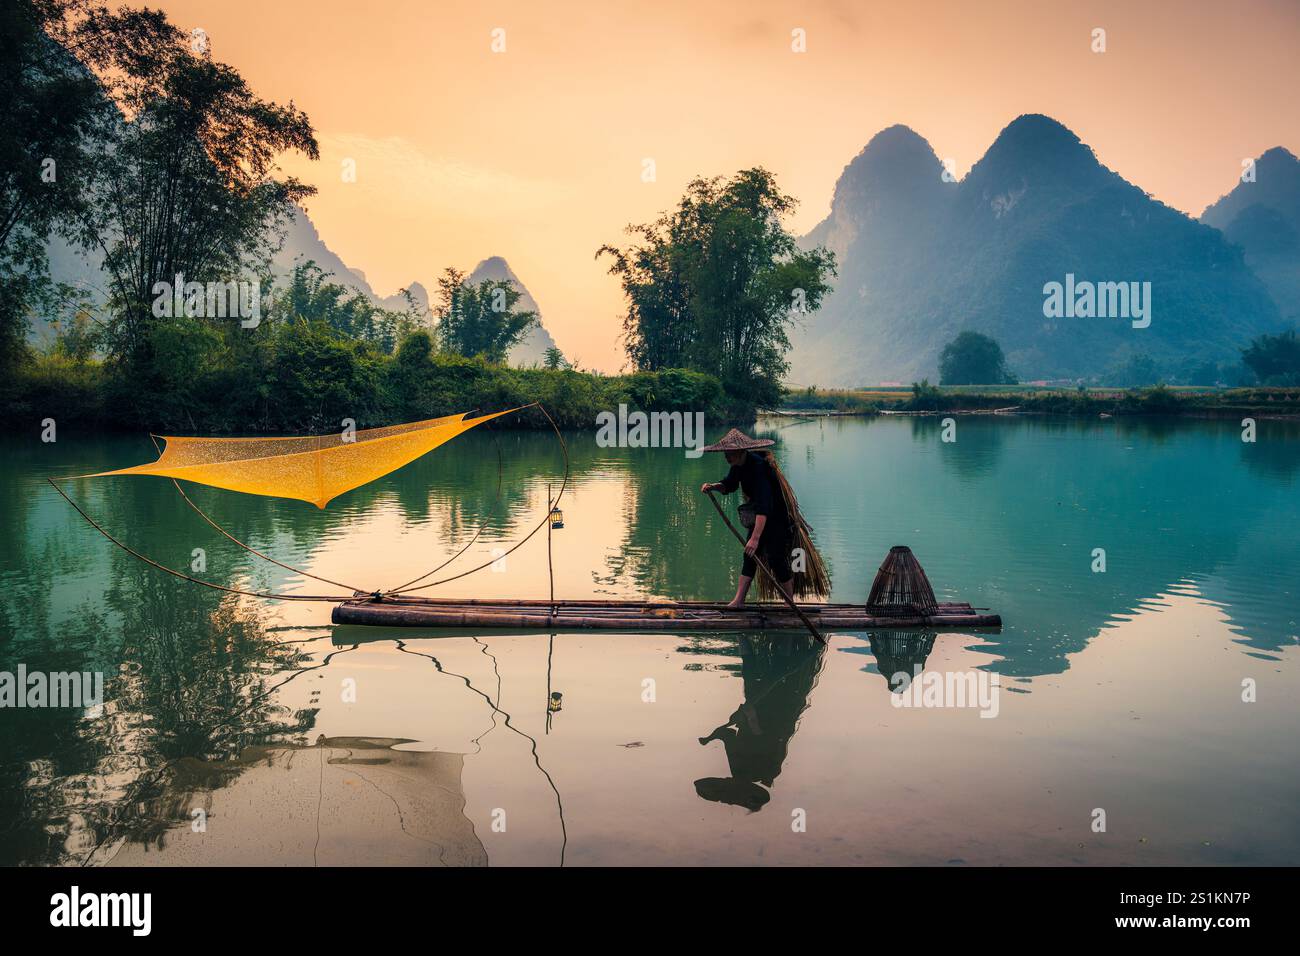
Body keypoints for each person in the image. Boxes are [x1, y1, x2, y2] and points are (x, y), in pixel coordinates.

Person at [699, 428, 794, 608]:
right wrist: (713, 487)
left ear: (742, 451)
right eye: (726, 453)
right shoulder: (738, 466)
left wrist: (755, 537)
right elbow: (730, 485)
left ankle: (790, 603)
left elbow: (764, 505)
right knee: (749, 555)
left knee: (776, 558)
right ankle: (739, 601)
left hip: (775, 517)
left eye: (731, 453)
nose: (727, 456)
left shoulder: (759, 467)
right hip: (760, 515)